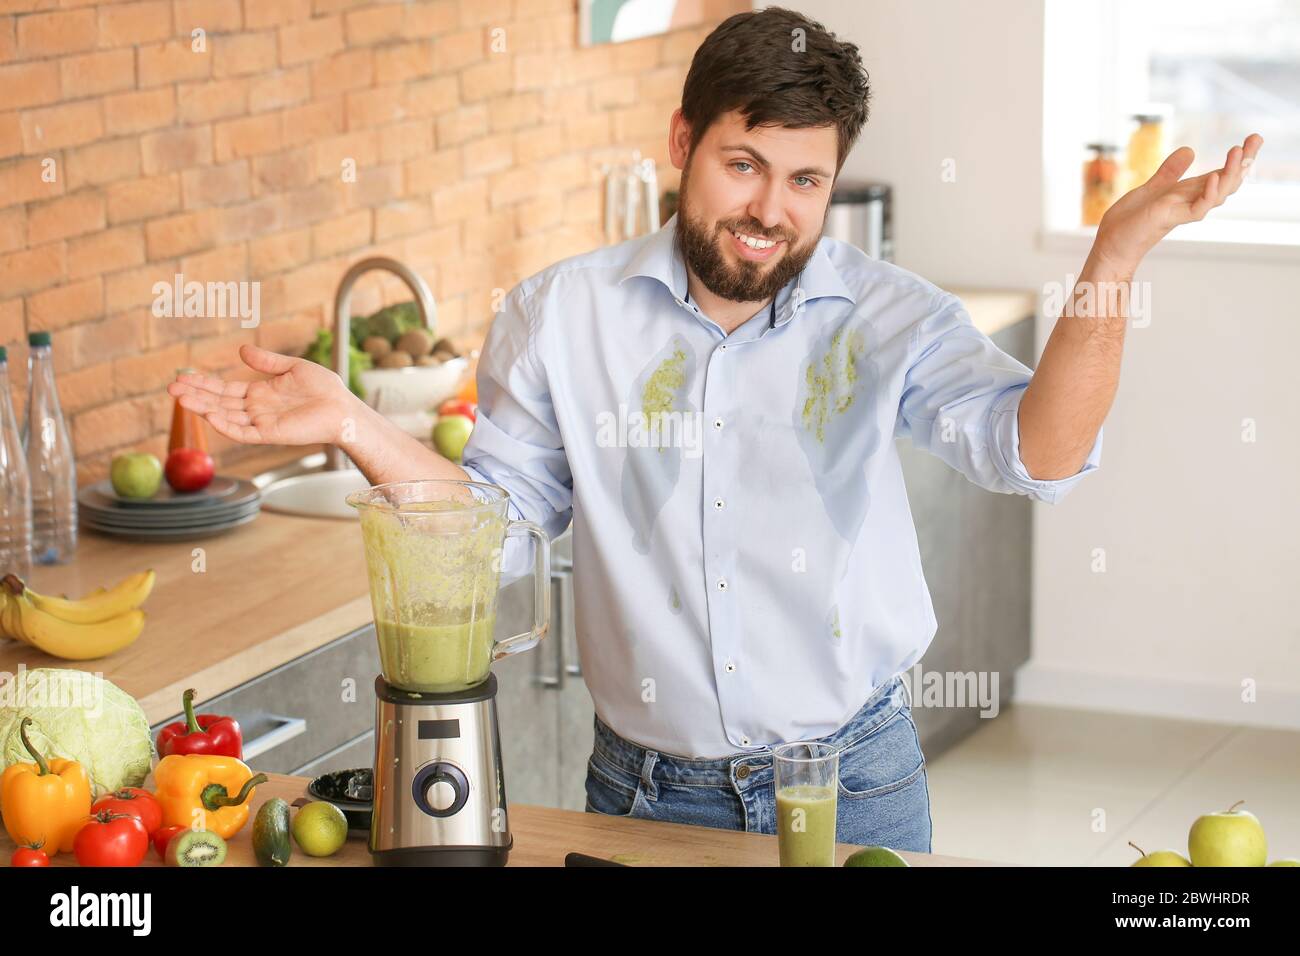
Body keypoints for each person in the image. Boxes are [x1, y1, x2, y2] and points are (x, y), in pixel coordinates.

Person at [169, 7, 1262, 852]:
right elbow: (493, 532)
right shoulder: (560, 315)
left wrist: (1111, 259)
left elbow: (1041, 453)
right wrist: (356, 420)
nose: (768, 209)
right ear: (683, 140)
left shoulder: (889, 316)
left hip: (857, 785)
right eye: (743, 164)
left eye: (804, 181)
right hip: (646, 795)